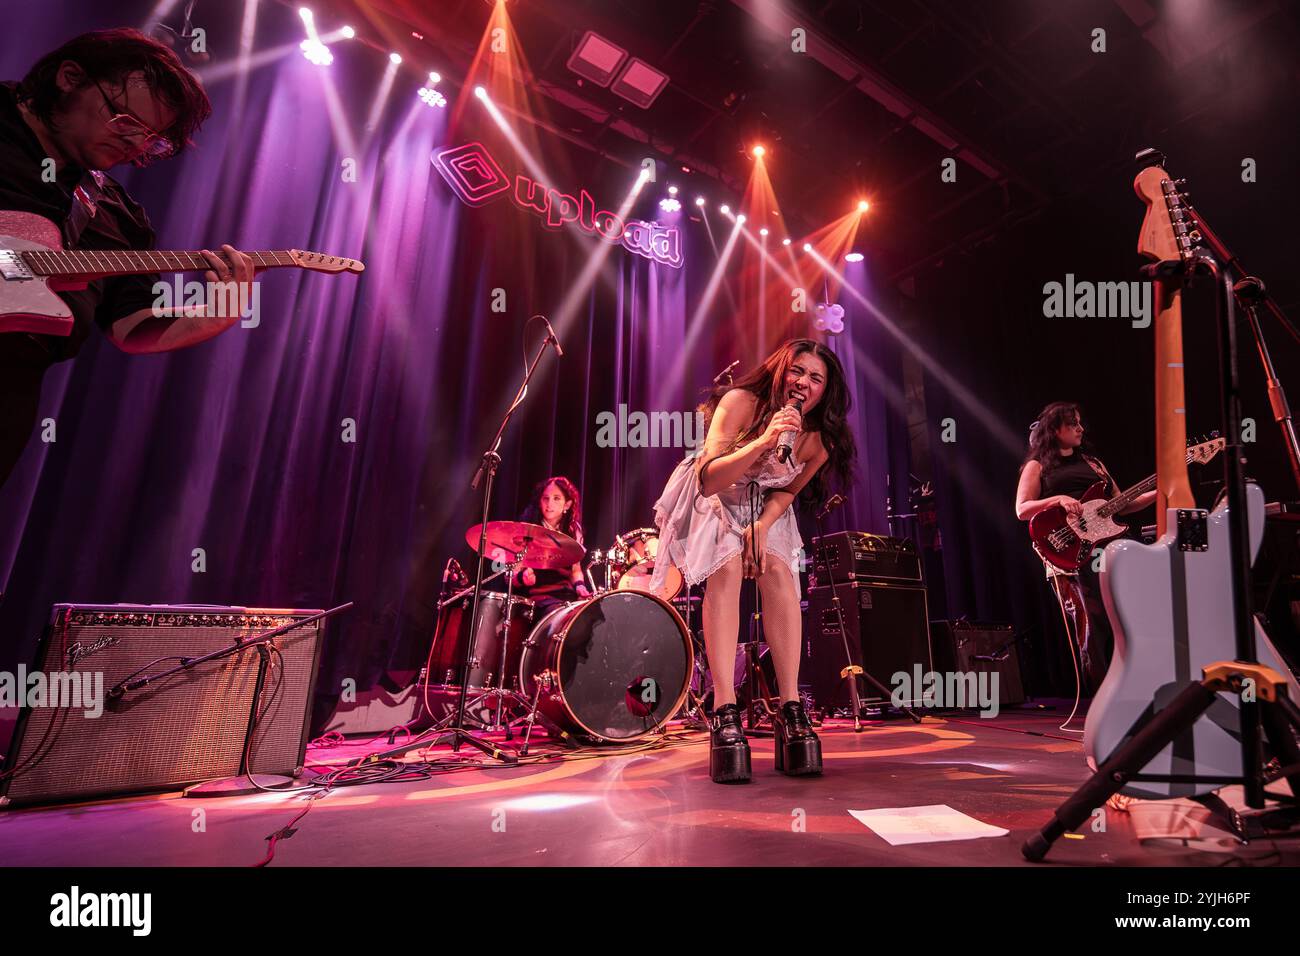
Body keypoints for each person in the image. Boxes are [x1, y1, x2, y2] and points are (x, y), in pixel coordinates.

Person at [0, 29, 257, 489]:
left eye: (152, 138)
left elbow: (129, 324)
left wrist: (214, 316)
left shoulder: (117, 214)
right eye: (125, 119)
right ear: (70, 77)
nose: (136, 143)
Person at [650, 338, 855, 783]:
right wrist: (764, 439)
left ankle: (791, 709)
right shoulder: (741, 402)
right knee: (725, 569)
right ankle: (724, 710)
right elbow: (709, 478)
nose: (804, 382)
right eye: (798, 371)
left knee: (780, 572)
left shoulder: (819, 441)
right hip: (717, 494)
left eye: (816, 378)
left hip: (766, 507)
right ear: (781, 371)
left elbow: (786, 492)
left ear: (825, 391)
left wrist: (762, 526)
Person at [1014, 401, 1155, 692]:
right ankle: (1104, 700)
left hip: (1107, 550)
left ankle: (1136, 690)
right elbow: (1022, 508)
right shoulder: (1037, 465)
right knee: (1092, 625)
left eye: (1080, 423)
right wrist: (1058, 499)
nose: (1080, 428)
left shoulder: (1094, 464)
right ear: (1055, 430)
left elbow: (1123, 504)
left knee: (1125, 616)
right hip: (1068, 554)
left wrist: (1162, 489)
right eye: (1073, 424)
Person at [512, 476, 591, 616]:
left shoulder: (573, 530)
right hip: (538, 598)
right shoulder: (528, 529)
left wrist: (580, 586)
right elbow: (510, 576)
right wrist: (522, 577)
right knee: (559, 616)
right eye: (545, 498)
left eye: (556, 498)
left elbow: (575, 569)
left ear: (567, 505)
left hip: (567, 596)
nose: (549, 504)